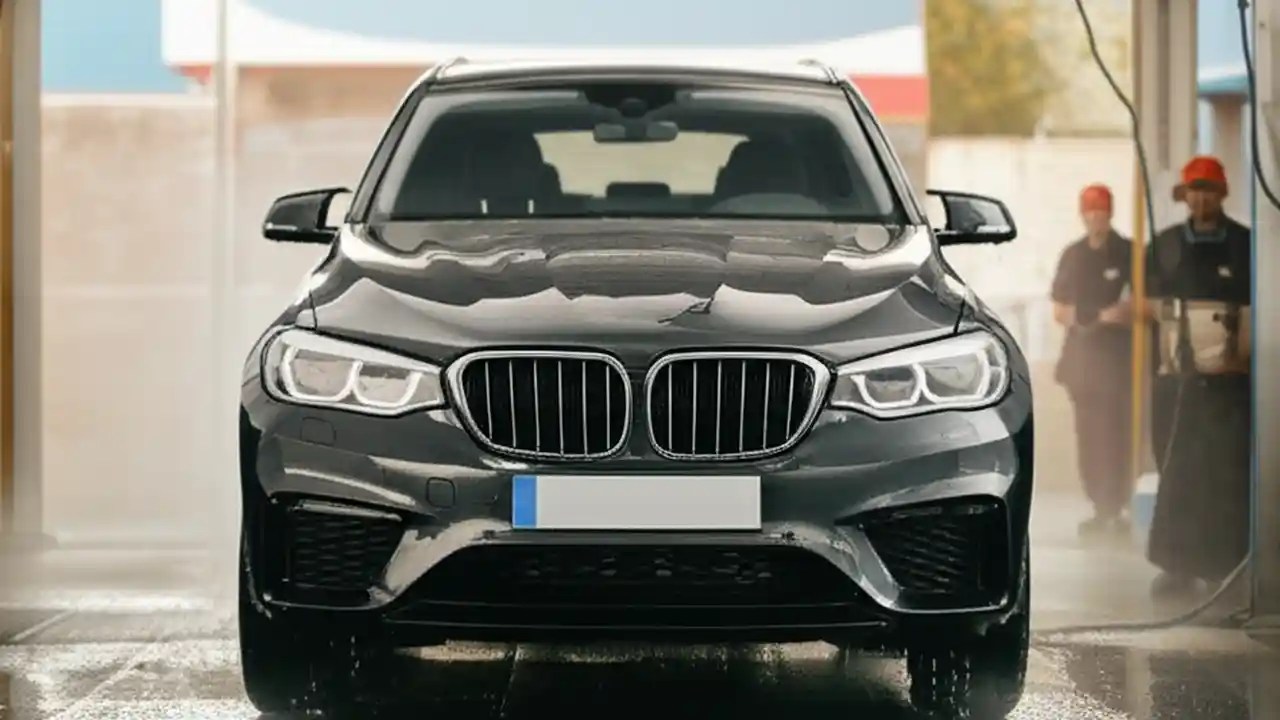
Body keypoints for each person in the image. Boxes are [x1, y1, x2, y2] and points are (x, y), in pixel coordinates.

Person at [1140, 156, 1251, 599]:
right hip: (1175, 379)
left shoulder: (1245, 244)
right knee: (1175, 466)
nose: (1201, 198)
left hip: (1230, 383)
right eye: (1194, 190)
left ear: (1222, 193)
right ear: (1185, 195)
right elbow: (1148, 303)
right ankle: (1176, 564)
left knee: (1224, 470)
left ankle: (1224, 564)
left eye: (1209, 189)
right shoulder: (1163, 245)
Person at [1050, 184, 1134, 540]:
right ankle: (1099, 506)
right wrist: (1098, 316)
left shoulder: (1129, 253)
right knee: (1088, 436)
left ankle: (1116, 505)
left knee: (1116, 434)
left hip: (1118, 363)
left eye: (1102, 210)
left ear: (1111, 213)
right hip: (1081, 365)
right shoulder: (1073, 255)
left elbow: (1131, 311)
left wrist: (1090, 317)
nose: (1096, 217)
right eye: (1090, 210)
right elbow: (1060, 310)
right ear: (1082, 214)